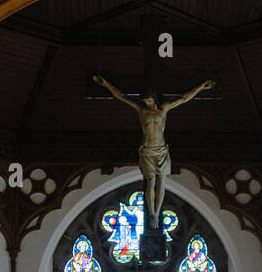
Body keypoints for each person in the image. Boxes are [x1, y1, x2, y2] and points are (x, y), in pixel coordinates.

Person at [92, 74, 215, 227]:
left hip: (161, 150)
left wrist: (201, 87)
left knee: (161, 181)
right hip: (147, 150)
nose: (147, 103)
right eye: (145, 101)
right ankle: (153, 214)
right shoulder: (141, 110)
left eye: (149, 100)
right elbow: (121, 96)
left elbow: (184, 98)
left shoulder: (163, 109)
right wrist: (106, 84)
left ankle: (157, 211)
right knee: (151, 182)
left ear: (154, 98)